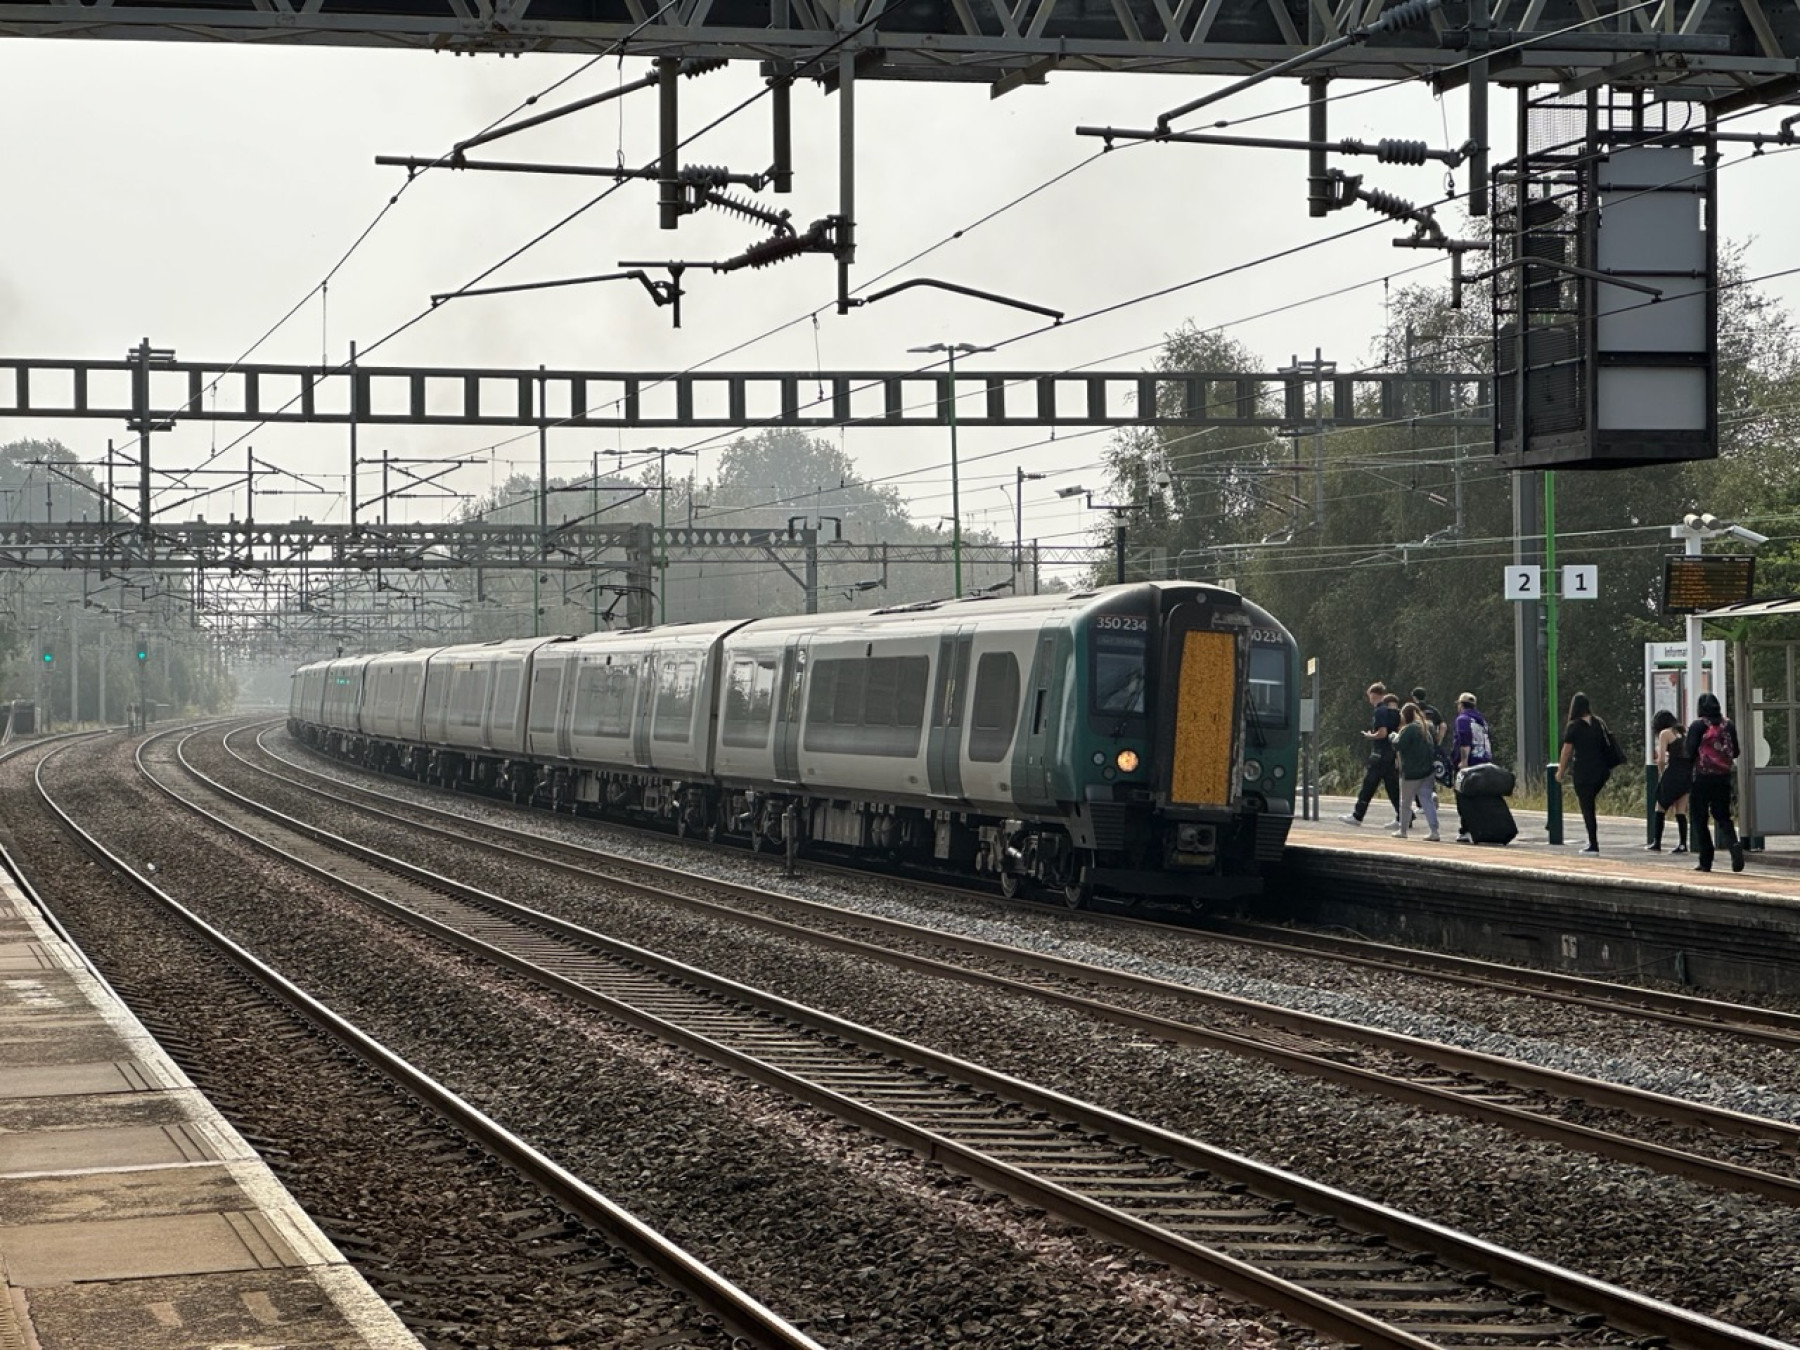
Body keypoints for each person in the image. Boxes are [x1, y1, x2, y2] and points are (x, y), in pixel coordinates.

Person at [1685, 691, 1744, 873]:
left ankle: (1706, 860)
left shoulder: (1698, 726)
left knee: (1699, 818)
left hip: (1702, 777)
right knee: (1722, 815)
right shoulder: (1728, 725)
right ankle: (1734, 844)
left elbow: (1689, 751)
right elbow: (1736, 752)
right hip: (1723, 777)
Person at [1554, 692, 1615, 855]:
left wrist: (1560, 771)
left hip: (1583, 772)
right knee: (1590, 803)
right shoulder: (1599, 723)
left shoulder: (1573, 726)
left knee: (1587, 807)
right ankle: (1592, 841)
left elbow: (1566, 751)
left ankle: (1593, 844)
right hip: (1601, 771)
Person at [1340, 682, 1401, 827]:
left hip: (1379, 754)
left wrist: (1370, 736)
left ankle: (1357, 816)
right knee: (1392, 787)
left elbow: (1382, 733)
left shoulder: (1380, 711)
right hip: (1390, 754)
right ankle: (1405, 816)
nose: (1369, 700)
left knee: (1368, 785)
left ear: (1374, 695)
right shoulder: (1392, 711)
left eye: (1369, 696)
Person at [1392, 702, 1442, 841]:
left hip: (1412, 772)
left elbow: (1399, 745)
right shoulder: (1426, 728)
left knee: (1405, 802)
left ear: (1405, 716)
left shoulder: (1409, 729)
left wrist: (1393, 737)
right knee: (1426, 800)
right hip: (1428, 771)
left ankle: (1403, 830)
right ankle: (1434, 831)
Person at [1450, 692, 1493, 844]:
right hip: (1484, 761)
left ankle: (1466, 830)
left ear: (1460, 705)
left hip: (1470, 763)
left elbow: (1465, 741)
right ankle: (1482, 828)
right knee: (1479, 798)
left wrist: (1463, 762)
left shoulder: (1462, 719)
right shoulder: (1481, 720)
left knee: (1463, 798)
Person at [1647, 708, 1691, 854]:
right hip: (1687, 773)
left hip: (1673, 772)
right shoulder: (1684, 731)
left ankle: (1657, 842)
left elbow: (1660, 759)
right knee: (1681, 810)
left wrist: (1662, 774)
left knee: (1660, 807)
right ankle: (1683, 844)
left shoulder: (1664, 733)